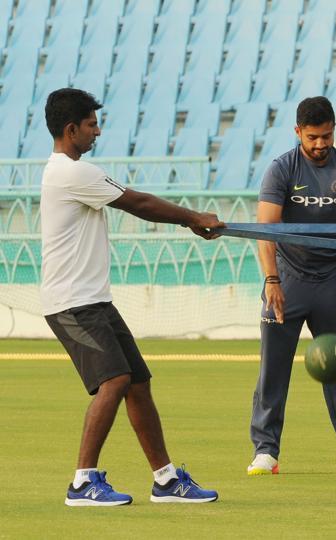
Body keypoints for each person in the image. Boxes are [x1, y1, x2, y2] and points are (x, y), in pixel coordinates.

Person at [41, 88, 221, 506]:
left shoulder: (69, 171)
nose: (97, 131)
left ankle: (166, 480)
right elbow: (137, 202)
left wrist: (191, 220)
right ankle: (83, 483)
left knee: (137, 384)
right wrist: (194, 218)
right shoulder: (73, 173)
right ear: (71, 130)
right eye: (91, 124)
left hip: (94, 301)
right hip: (70, 304)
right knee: (115, 379)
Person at [246, 96, 336, 477]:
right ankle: (266, 451)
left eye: (326, 136)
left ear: (334, 130)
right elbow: (266, 230)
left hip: (333, 280)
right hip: (287, 279)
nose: (320, 144)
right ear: (298, 133)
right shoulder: (281, 170)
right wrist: (271, 280)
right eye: (312, 137)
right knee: (273, 370)